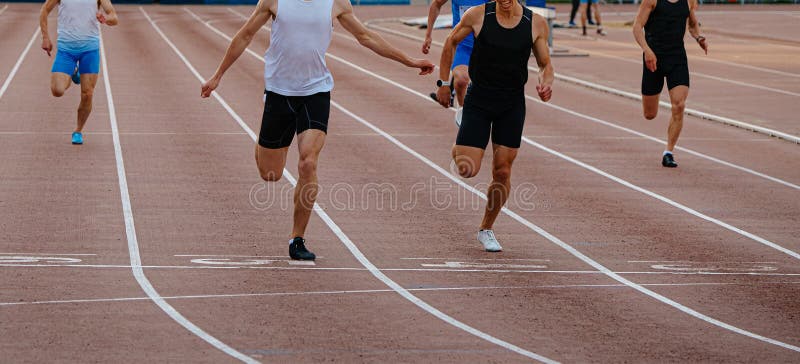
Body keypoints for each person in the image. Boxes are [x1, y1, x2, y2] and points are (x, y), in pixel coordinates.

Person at [201, 0, 434, 260]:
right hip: (279, 93)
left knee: (308, 163)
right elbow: (245, 35)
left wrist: (409, 61)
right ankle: (263, 145)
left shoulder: (335, 3)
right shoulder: (274, 1)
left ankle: (297, 238)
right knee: (271, 173)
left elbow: (366, 36)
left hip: (316, 92)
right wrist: (218, 75)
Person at [436, 0, 553, 252]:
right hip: (478, 100)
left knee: (502, 172)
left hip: (511, 103)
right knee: (467, 169)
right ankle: (459, 147)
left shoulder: (535, 23)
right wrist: (443, 83)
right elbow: (450, 42)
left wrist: (546, 82)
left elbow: (545, 64)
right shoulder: (477, 15)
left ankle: (486, 228)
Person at [633, 0, 707, 167]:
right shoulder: (651, 1)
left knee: (679, 105)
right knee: (649, 114)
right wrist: (647, 50)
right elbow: (637, 27)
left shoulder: (688, 1)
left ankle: (668, 152)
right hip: (654, 59)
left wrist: (698, 37)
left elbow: (693, 24)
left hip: (677, 59)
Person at [40, 0, 118, 145]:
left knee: (87, 93)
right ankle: (74, 71)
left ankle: (78, 130)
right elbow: (44, 10)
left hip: (90, 49)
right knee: (57, 90)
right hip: (66, 50)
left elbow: (114, 16)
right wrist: (45, 37)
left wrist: (106, 19)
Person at [423, 0, 488, 116]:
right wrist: (428, 34)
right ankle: (465, 118)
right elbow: (436, 4)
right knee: (462, 81)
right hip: (463, 46)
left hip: (488, 48)